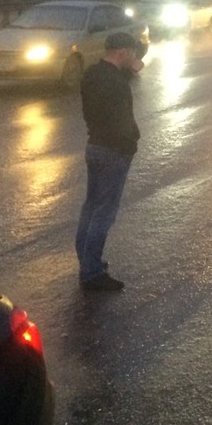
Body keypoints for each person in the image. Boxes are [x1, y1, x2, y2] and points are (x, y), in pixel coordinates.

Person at [75, 32, 144, 291]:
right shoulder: (115, 82)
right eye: (133, 54)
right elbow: (120, 120)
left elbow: (105, 96)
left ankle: (86, 261)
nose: (135, 58)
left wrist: (130, 72)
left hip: (94, 146)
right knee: (103, 213)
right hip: (113, 151)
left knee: (91, 208)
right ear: (122, 52)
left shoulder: (93, 74)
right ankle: (92, 273)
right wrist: (130, 144)